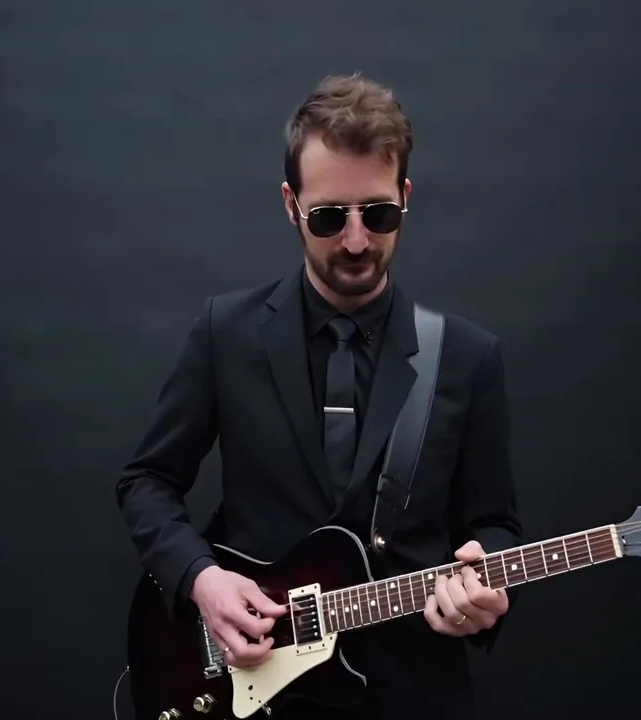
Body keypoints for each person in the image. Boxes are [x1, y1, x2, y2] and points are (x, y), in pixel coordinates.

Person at [115, 73, 522, 719]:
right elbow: (147, 482)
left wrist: (488, 584)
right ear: (291, 204)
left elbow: (494, 524)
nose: (357, 242)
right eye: (330, 217)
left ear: (406, 197)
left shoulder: (467, 357)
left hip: (412, 694)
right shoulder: (227, 333)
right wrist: (201, 579)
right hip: (252, 692)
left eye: (378, 214)